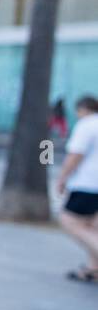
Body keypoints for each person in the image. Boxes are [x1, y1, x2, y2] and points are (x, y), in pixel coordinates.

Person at [57, 94, 98, 283]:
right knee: (92, 226)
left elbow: (75, 155)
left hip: (87, 184)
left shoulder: (87, 125)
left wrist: (62, 178)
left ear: (82, 109)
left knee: (69, 221)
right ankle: (93, 268)